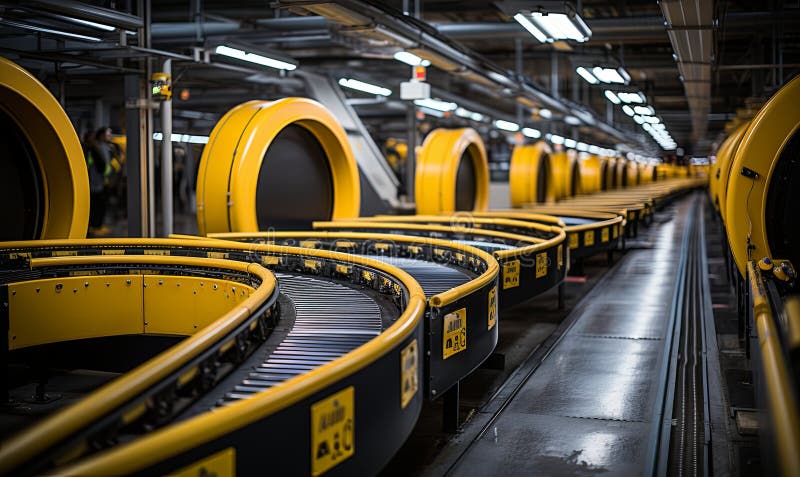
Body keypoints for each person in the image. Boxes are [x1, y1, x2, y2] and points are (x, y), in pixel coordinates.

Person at [85, 127, 117, 236]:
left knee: (99, 205)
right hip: (96, 182)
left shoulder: (102, 147)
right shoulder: (96, 148)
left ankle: (97, 225)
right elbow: (101, 166)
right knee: (96, 205)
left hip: (99, 181)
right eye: (107, 134)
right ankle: (95, 226)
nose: (109, 136)